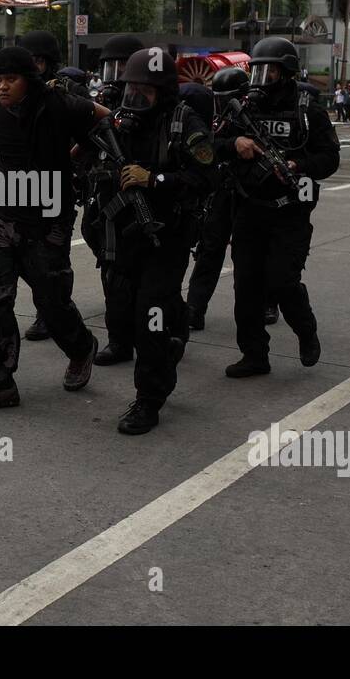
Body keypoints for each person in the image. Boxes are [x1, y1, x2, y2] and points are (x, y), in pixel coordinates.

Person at [0, 46, 110, 412]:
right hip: (4, 212)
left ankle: (81, 347)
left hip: (48, 218)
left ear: (30, 80)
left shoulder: (60, 105)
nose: (3, 87)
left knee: (51, 301)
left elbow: (109, 120)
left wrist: (78, 157)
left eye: (11, 79)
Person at [86, 49, 216, 434]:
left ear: (164, 91)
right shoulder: (121, 123)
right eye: (132, 90)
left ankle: (149, 398)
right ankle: (176, 332)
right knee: (126, 306)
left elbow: (207, 178)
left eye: (146, 91)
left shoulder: (184, 123)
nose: (136, 98)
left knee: (150, 316)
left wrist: (155, 180)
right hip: (126, 234)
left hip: (168, 234)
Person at [222, 37, 340, 379]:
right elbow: (212, 144)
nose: (262, 78)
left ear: (286, 72)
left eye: (270, 71)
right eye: (257, 70)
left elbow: (330, 157)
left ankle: (306, 331)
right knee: (246, 286)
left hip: (290, 212)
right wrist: (235, 143)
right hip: (249, 208)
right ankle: (254, 354)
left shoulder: (308, 110)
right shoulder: (243, 107)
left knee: (282, 281)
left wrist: (296, 166)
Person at [80, 33, 143, 366]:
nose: (112, 77)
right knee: (112, 271)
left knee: (145, 277)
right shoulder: (101, 108)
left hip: (142, 200)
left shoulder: (149, 107)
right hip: (105, 199)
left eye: (121, 69)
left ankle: (169, 331)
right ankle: (119, 340)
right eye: (109, 68)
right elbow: (83, 147)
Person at [185, 66, 249, 332]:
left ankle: (267, 303)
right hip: (223, 191)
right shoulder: (219, 119)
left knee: (249, 256)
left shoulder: (253, 117)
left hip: (250, 193)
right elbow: (209, 148)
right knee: (209, 252)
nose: (223, 103)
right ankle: (195, 309)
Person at [15, 29, 66, 344]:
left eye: (38, 61)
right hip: (24, 185)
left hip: (56, 184)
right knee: (26, 254)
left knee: (54, 257)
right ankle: (48, 308)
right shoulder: (18, 94)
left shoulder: (62, 92)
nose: (33, 67)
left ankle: (52, 314)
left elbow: (96, 127)